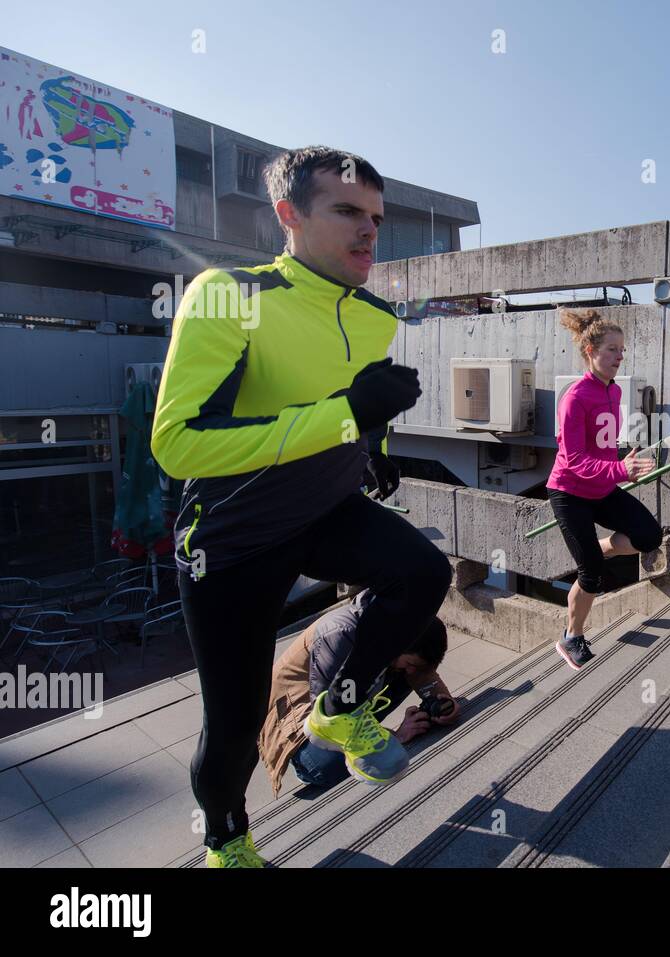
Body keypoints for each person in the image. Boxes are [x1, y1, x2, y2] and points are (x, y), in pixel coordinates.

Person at [151, 146, 452, 868]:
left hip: (320, 507)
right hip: (231, 538)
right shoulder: (228, 295)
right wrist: (349, 414)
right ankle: (227, 838)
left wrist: (371, 441)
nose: (369, 231)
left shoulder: (374, 318)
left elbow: (342, 399)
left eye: (376, 217)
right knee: (234, 724)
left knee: (421, 574)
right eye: (347, 210)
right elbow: (178, 443)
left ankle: (341, 708)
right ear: (289, 216)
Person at [546, 308, 663, 670]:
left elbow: (600, 447)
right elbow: (573, 460)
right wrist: (618, 469)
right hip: (569, 492)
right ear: (591, 352)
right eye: (612, 349)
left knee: (649, 535)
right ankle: (572, 636)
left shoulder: (612, 392)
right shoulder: (575, 397)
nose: (619, 356)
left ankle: (595, 550)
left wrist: (622, 461)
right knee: (591, 576)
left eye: (622, 350)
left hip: (600, 486)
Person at [259, 590, 460, 798]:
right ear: (401, 643)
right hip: (301, 719)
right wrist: (395, 737)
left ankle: (366, 733)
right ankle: (304, 762)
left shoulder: (400, 628)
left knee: (409, 672)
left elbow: (423, 672)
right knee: (325, 768)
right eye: (410, 663)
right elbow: (331, 720)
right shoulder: (341, 636)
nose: (410, 670)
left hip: (347, 699)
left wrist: (444, 704)